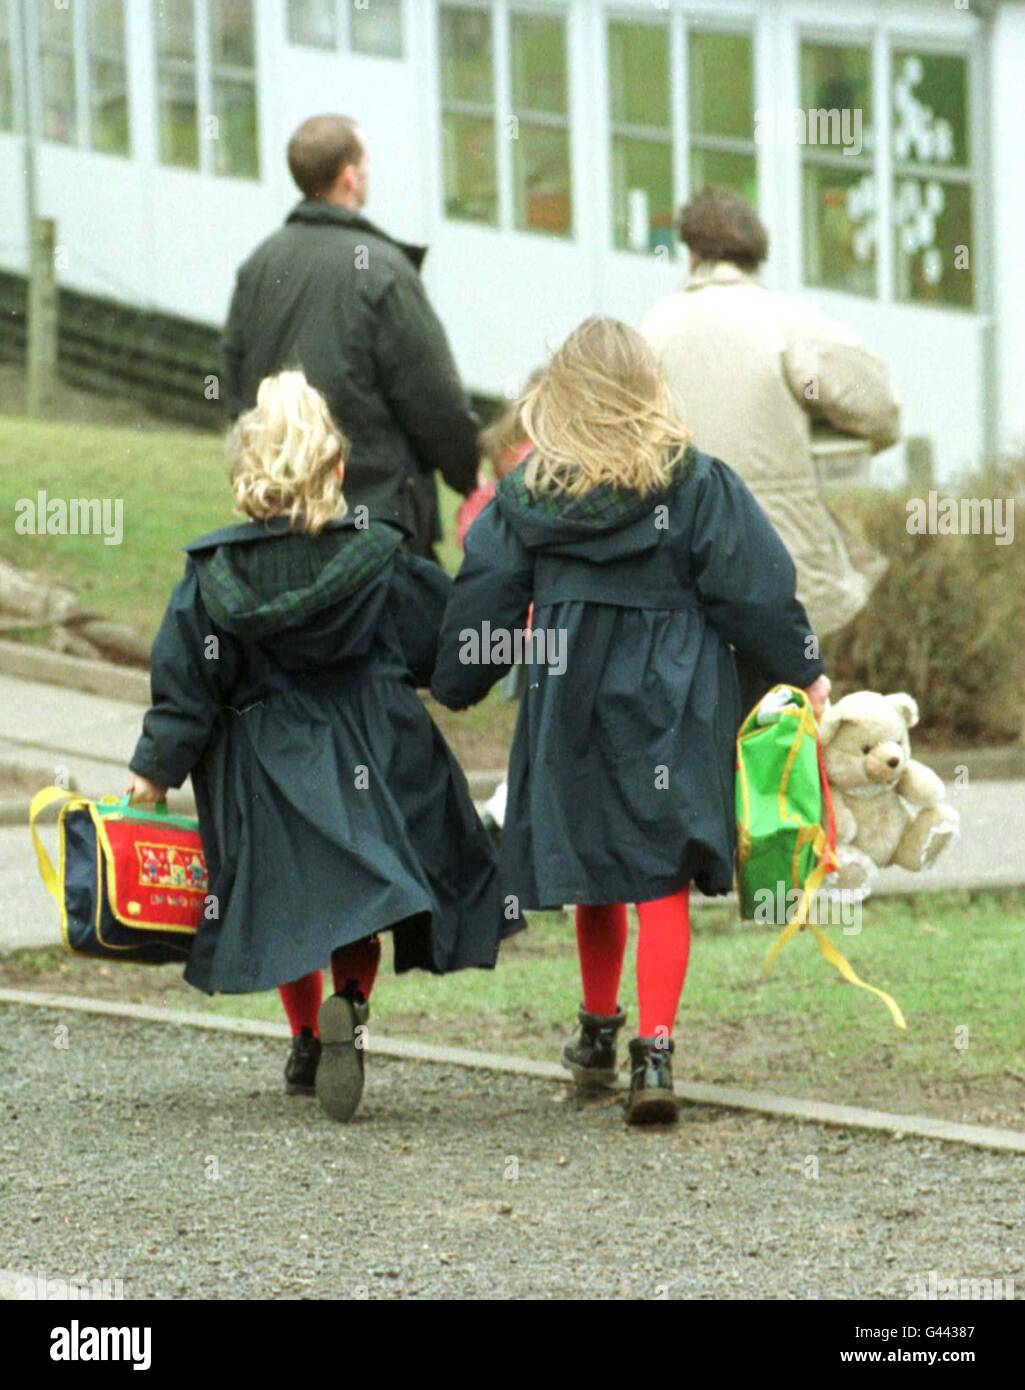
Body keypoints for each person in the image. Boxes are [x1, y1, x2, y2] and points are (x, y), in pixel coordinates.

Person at [430, 319, 829, 1126]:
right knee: (660, 870)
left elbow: (486, 597)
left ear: (562, 399)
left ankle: (595, 1031)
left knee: (591, 863)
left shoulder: (530, 497)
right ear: (650, 390)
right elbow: (753, 591)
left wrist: (457, 679)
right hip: (672, 699)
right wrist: (804, 671)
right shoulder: (697, 486)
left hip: (567, 697)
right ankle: (655, 1048)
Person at [127, 372, 513, 1123]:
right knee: (356, 906)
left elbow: (186, 687)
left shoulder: (211, 579)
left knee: (288, 903)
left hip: (263, 767)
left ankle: (305, 1038)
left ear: (245, 474)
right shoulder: (378, 560)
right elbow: (440, 646)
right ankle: (351, 1005)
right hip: (373, 752)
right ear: (337, 471)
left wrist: (152, 772)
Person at [641, 186, 899, 711]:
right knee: (784, 720)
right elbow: (878, 406)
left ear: (690, 251)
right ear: (755, 252)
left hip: (678, 555)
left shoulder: (655, 328)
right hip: (782, 554)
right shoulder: (787, 320)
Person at [222, 114, 479, 559]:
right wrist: (467, 475)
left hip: (277, 520)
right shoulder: (383, 272)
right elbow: (434, 399)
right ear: (349, 175)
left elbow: (232, 381)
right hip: (374, 523)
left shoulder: (260, 265)